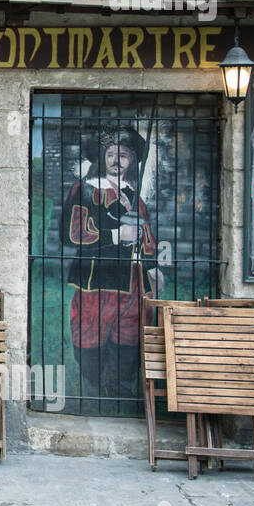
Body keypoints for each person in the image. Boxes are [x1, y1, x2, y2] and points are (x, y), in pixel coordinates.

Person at [60, 127, 158, 404]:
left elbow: (146, 237)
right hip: (96, 278)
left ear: (132, 161)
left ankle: (120, 387)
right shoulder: (85, 190)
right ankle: (95, 385)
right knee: (90, 332)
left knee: (130, 334)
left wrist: (150, 265)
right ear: (103, 158)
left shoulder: (134, 197)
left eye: (124, 155)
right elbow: (73, 234)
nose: (117, 160)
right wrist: (116, 235)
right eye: (112, 154)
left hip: (132, 281)